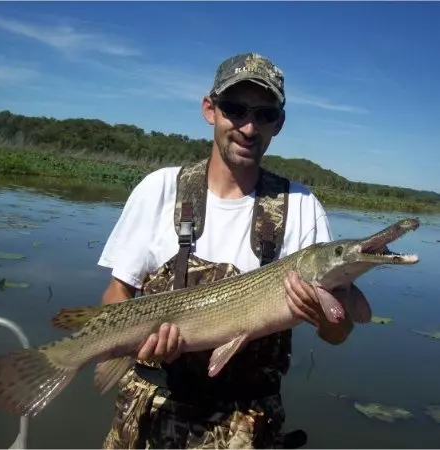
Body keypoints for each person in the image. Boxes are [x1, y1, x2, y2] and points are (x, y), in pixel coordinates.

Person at [97, 52, 355, 449]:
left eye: (265, 114)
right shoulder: (159, 189)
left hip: (248, 424)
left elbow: (338, 334)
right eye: (235, 109)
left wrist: (321, 316)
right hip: (152, 410)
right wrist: (136, 343)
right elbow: (118, 293)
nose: (249, 127)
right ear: (210, 109)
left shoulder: (303, 206)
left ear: (278, 124)